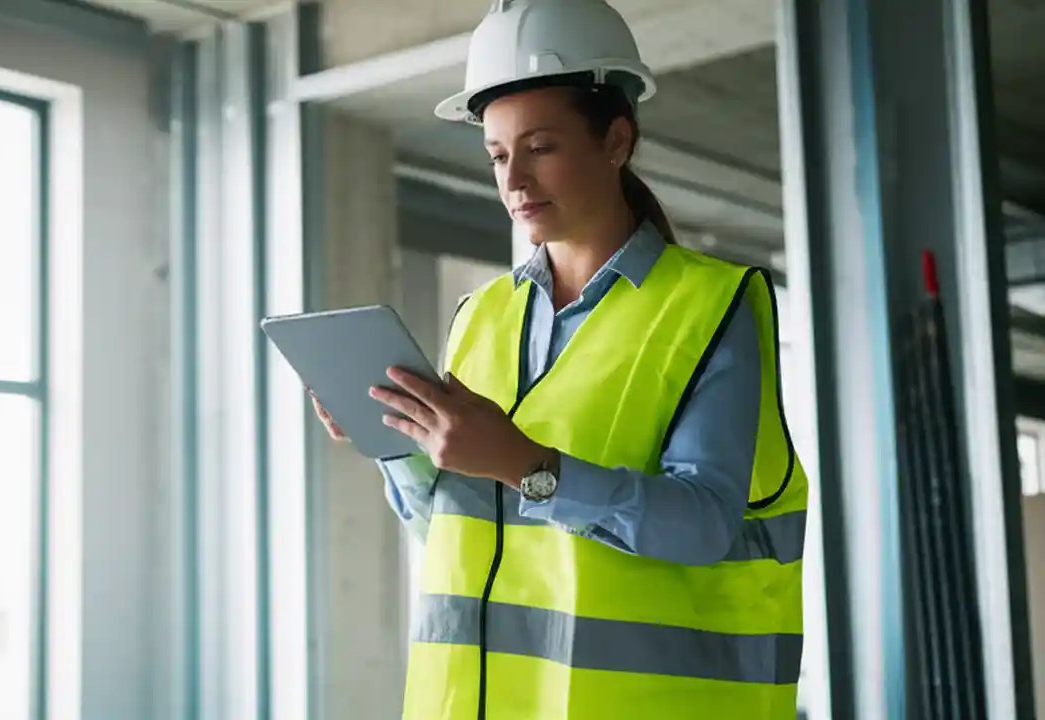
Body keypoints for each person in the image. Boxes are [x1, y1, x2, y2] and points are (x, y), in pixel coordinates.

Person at [311, 1, 807, 717]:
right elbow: (452, 529)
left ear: (615, 141)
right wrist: (400, 443)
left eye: (540, 147)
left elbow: (703, 525)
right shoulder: (482, 316)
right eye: (498, 155)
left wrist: (525, 464)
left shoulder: (712, 304)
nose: (514, 179)